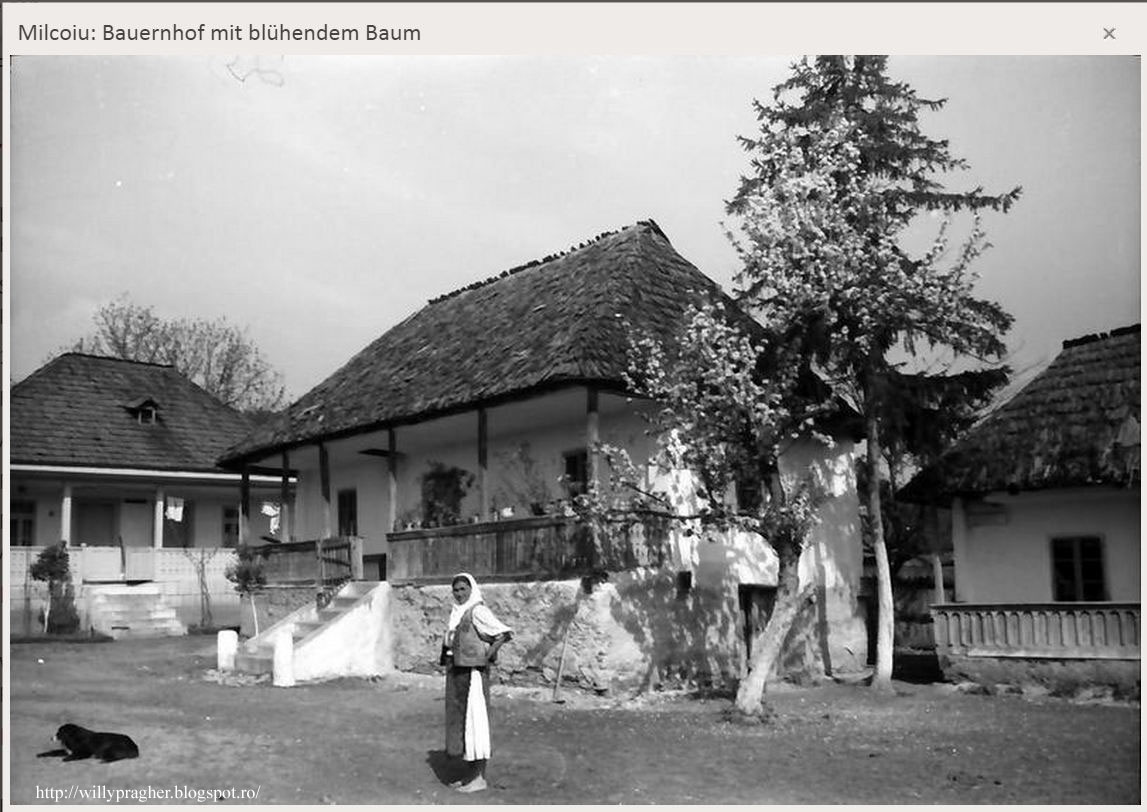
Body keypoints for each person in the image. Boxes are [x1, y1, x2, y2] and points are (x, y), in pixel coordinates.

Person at [440, 572, 512, 793]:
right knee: (462, 721)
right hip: (456, 671)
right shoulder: (457, 612)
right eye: (456, 590)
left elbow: (503, 633)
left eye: (463, 589)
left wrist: (487, 655)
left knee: (475, 720)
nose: (460, 593)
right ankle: (470, 774)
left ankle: (479, 778)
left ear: (472, 589)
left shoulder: (478, 610)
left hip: (472, 674)